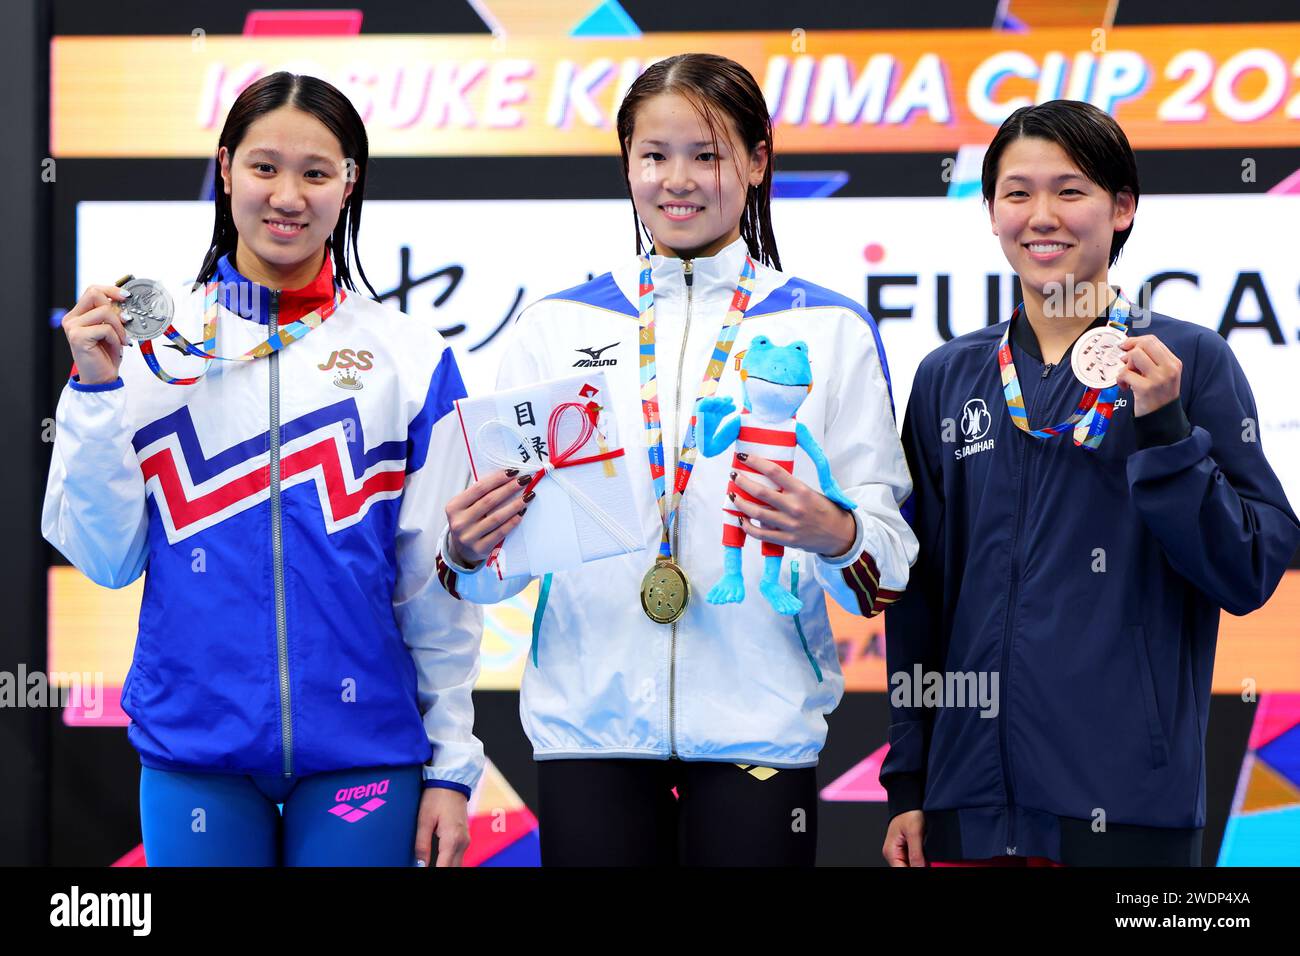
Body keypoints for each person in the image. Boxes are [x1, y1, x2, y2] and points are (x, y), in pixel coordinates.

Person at [435, 53, 917, 866]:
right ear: (627, 163)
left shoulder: (828, 328)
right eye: (654, 155)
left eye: (708, 153)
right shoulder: (553, 328)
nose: (678, 179)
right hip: (587, 732)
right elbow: (493, 573)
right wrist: (467, 548)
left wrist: (835, 532)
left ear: (759, 161)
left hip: (758, 731)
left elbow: (891, 569)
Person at [42, 72, 483, 866]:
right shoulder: (147, 348)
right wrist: (95, 391)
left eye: (316, 172)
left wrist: (451, 766)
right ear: (224, 169)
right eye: (264, 167)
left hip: (364, 747)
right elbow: (105, 559)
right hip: (195, 748)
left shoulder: (410, 359)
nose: (288, 195)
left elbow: (432, 588)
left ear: (351, 182)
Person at [880, 99, 1300, 867]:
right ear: (991, 211)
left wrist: (1169, 433)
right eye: (1017, 193)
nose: (1042, 215)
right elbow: (920, 594)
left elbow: (1246, 570)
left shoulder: (1188, 363)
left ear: (1123, 207)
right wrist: (908, 779)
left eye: (1070, 191)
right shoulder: (948, 377)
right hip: (968, 804)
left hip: (1131, 806)